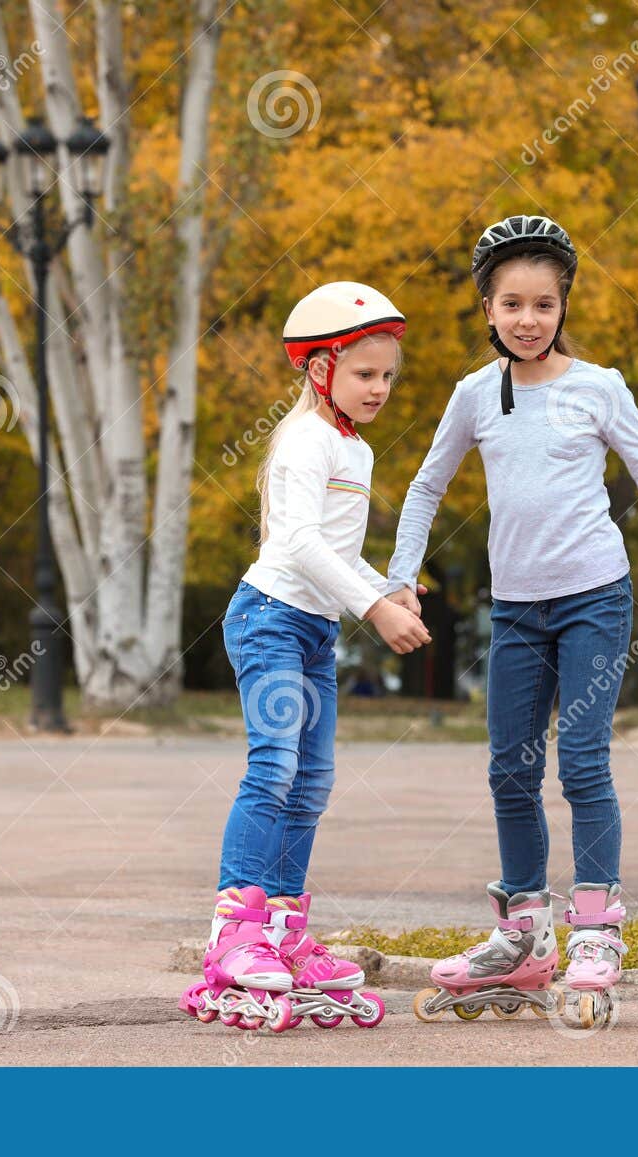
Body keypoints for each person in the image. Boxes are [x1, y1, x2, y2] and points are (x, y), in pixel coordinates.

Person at [387, 216, 638, 1028]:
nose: (528, 318)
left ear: (563, 308)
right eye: (512, 303)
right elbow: (423, 488)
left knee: (582, 763)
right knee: (509, 770)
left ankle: (595, 931)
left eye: (544, 304)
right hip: (517, 610)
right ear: (487, 308)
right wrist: (397, 580)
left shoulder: (600, 386)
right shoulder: (473, 396)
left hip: (597, 598)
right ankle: (524, 935)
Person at [181, 282, 430, 1032]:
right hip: (268, 620)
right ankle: (235, 930)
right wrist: (375, 606)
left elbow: (337, 547)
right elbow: (295, 542)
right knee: (275, 766)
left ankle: (283, 931)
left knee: (313, 780)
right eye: (364, 374)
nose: (379, 387)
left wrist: (391, 587)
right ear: (320, 371)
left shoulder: (356, 443)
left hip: (314, 629)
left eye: (387, 374)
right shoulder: (304, 439)